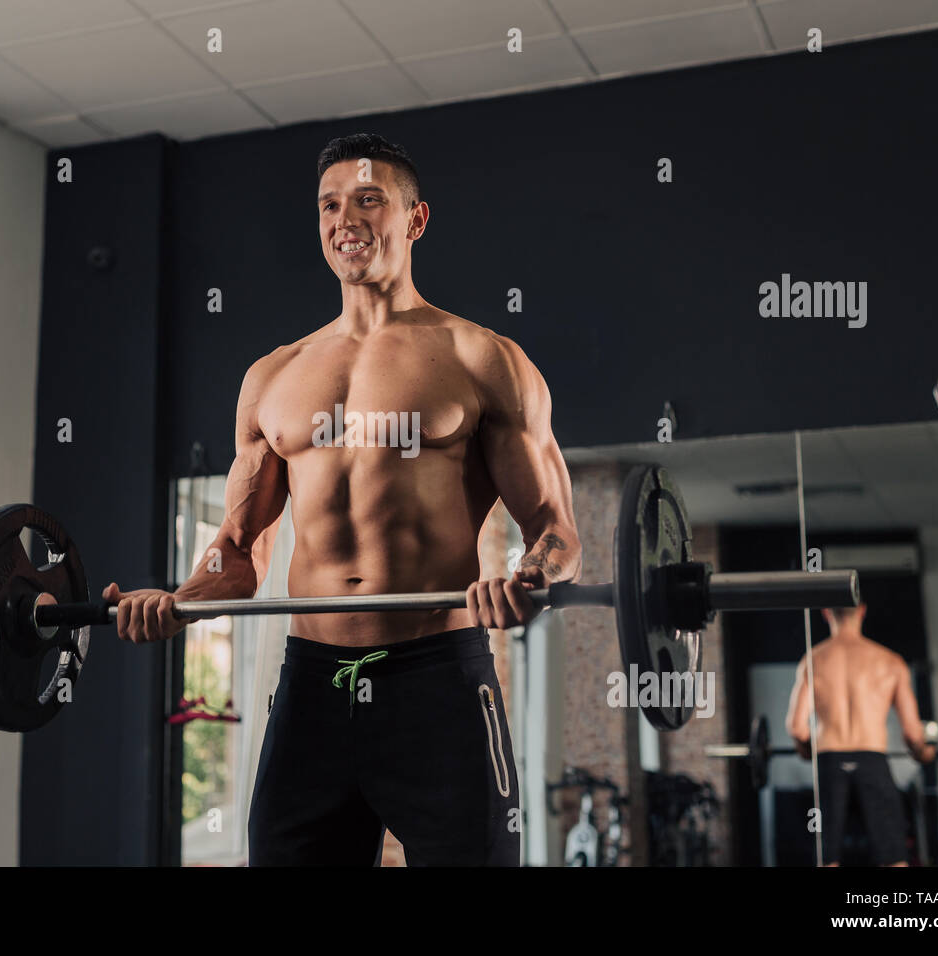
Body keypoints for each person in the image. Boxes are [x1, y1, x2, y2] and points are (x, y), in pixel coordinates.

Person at [103, 133, 581, 865]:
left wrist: (531, 577)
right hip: (313, 688)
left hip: (437, 679)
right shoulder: (273, 376)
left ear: (415, 220)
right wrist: (177, 600)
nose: (344, 219)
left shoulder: (481, 359)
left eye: (368, 200)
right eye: (329, 205)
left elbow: (556, 531)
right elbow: (237, 553)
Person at [785, 603, 936, 866]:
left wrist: (807, 752)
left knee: (826, 856)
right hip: (872, 760)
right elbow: (912, 733)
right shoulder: (889, 661)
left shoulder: (813, 659)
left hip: (829, 762)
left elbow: (797, 728)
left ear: (827, 613)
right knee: (893, 857)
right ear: (863, 611)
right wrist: (925, 753)